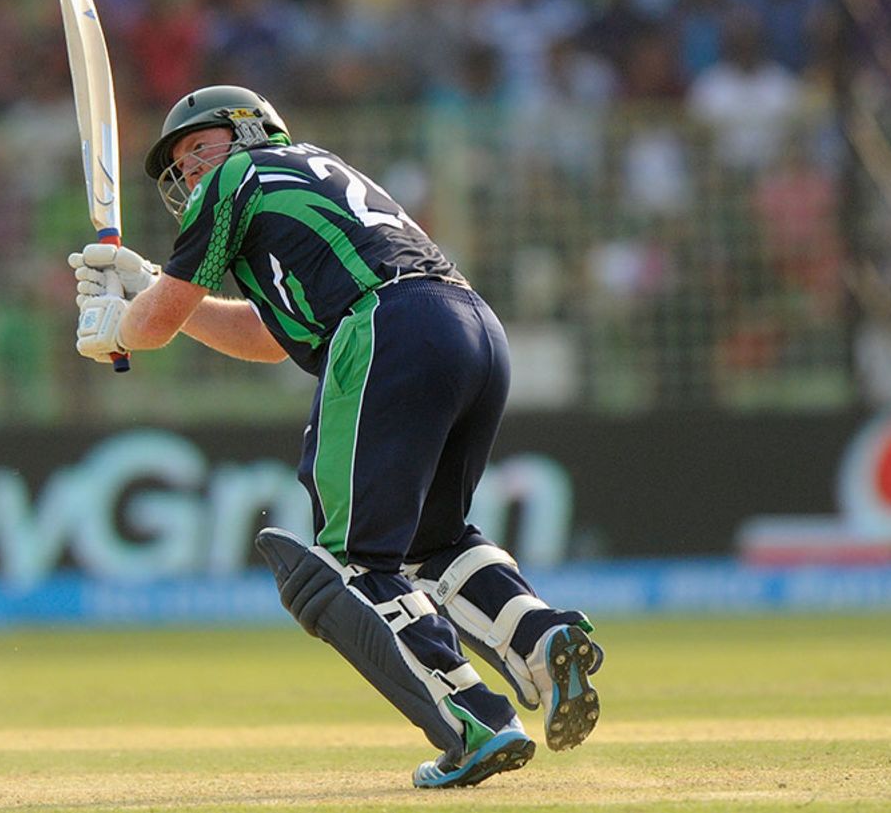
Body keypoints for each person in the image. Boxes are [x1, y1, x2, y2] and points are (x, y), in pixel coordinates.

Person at [67, 85, 604, 789]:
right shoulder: (311, 175)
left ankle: (474, 717)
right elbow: (267, 336)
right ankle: (540, 636)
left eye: (199, 147)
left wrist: (117, 323)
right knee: (430, 541)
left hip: (387, 328)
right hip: (469, 325)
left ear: (247, 131)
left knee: (352, 556)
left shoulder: (240, 175)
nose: (192, 171)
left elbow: (156, 325)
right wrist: (141, 286)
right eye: (181, 164)